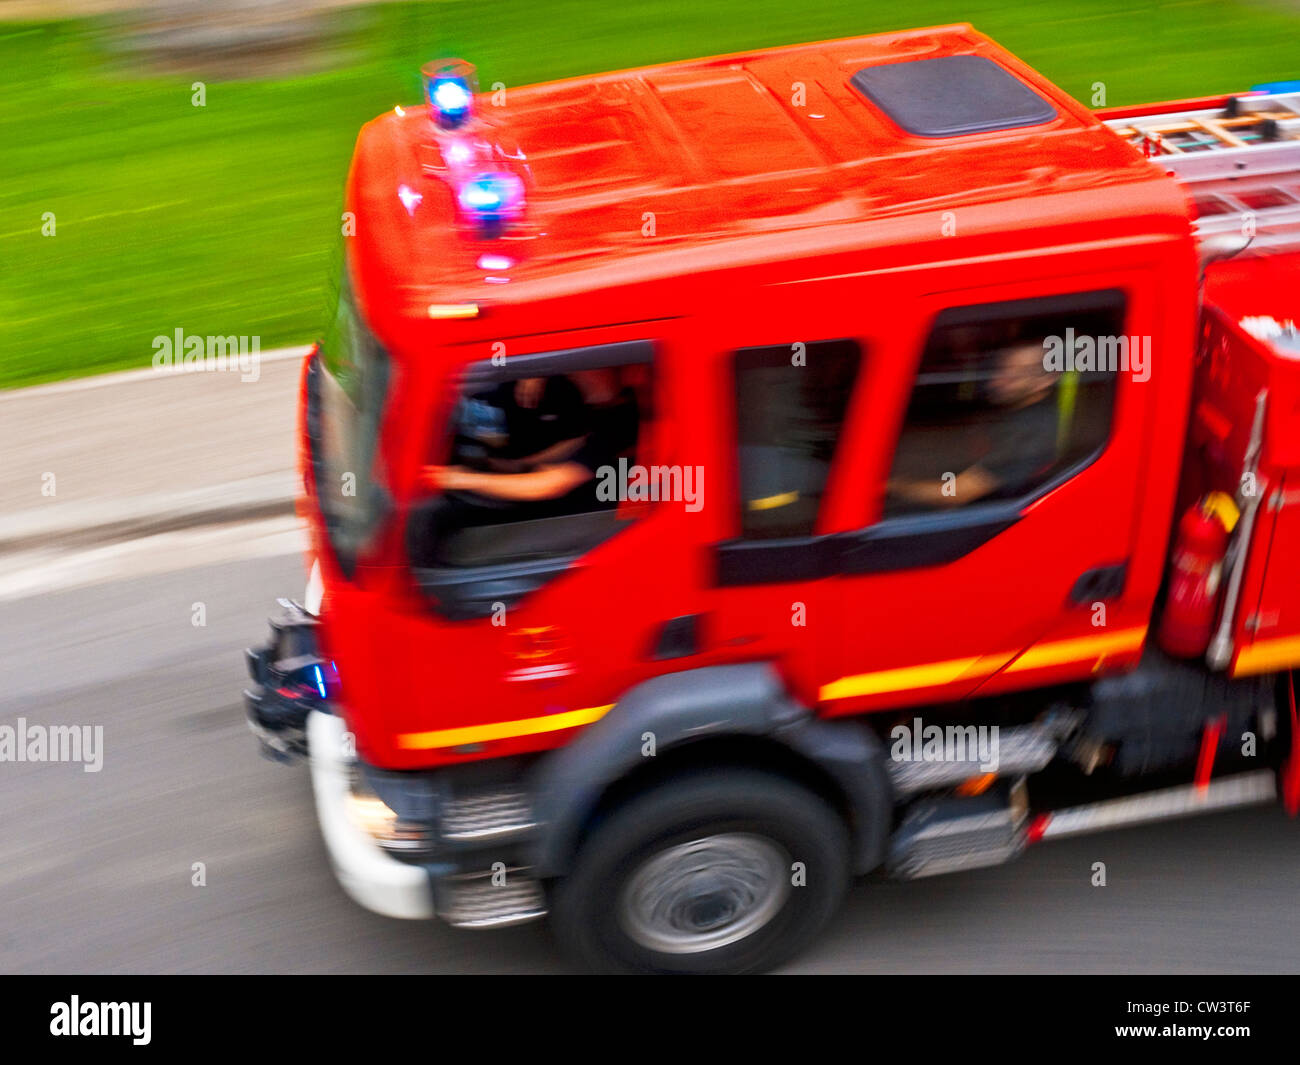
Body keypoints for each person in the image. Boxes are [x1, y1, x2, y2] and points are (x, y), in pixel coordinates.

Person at [409, 368, 639, 566]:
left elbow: (552, 484)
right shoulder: (593, 406)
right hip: (558, 505)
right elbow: (577, 441)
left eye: (586, 369)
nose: (577, 375)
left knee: (457, 537)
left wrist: (462, 479)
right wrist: (520, 464)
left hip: (583, 523)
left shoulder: (621, 419)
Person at [889, 340, 1058, 509]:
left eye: (1018, 373)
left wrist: (894, 486)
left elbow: (954, 493)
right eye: (1002, 367)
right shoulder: (1010, 404)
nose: (997, 380)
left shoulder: (1030, 430)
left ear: (1045, 381)